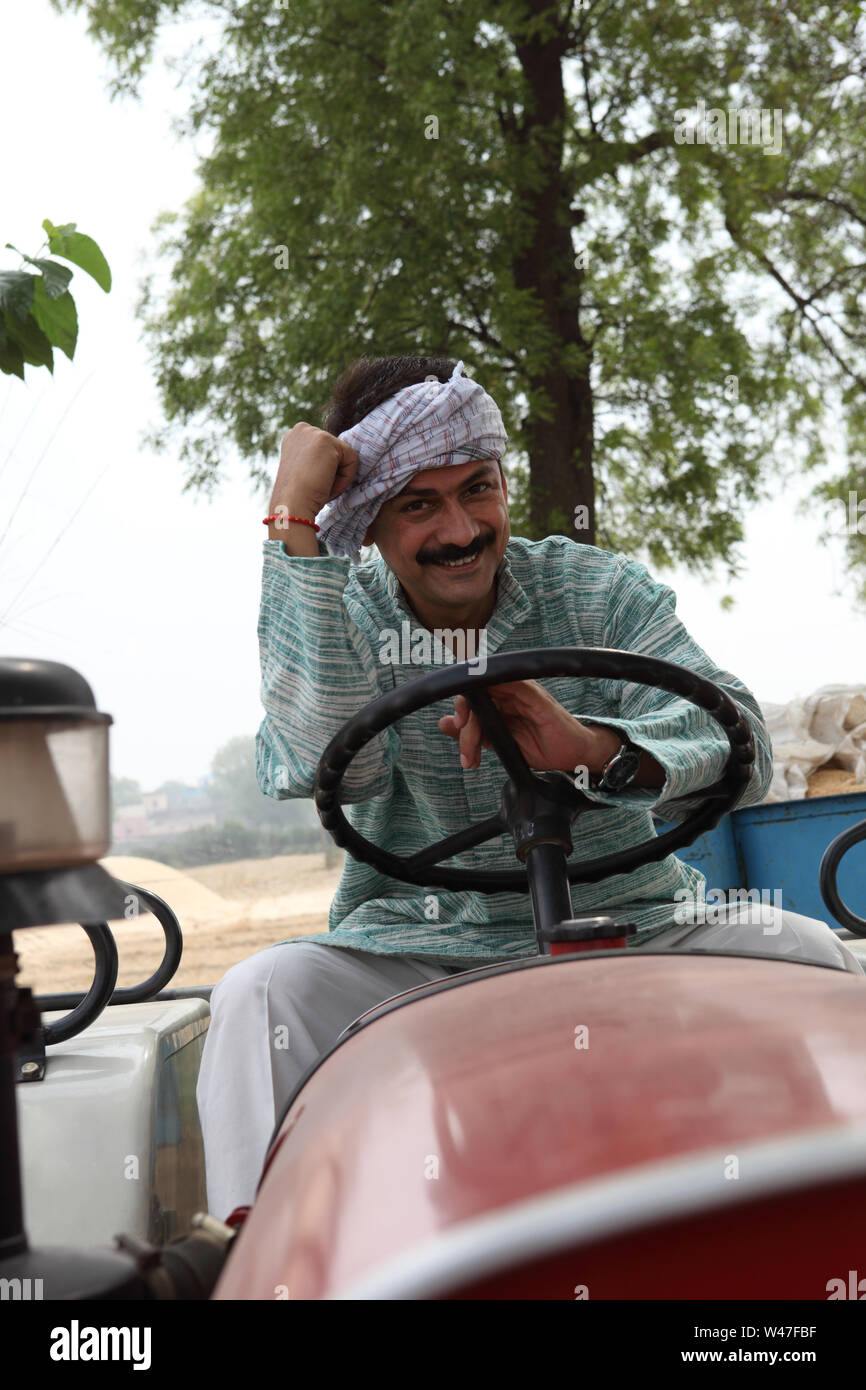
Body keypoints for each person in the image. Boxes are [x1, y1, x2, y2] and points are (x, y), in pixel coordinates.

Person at [195, 356, 852, 1222]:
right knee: (260, 996)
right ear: (371, 524)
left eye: (479, 489)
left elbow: (738, 746)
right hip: (418, 950)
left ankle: (821, 1237)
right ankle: (261, 1260)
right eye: (418, 504)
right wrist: (292, 518)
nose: (462, 529)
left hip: (641, 927)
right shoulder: (343, 617)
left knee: (810, 957)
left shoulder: (595, 589)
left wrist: (587, 748)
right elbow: (330, 759)